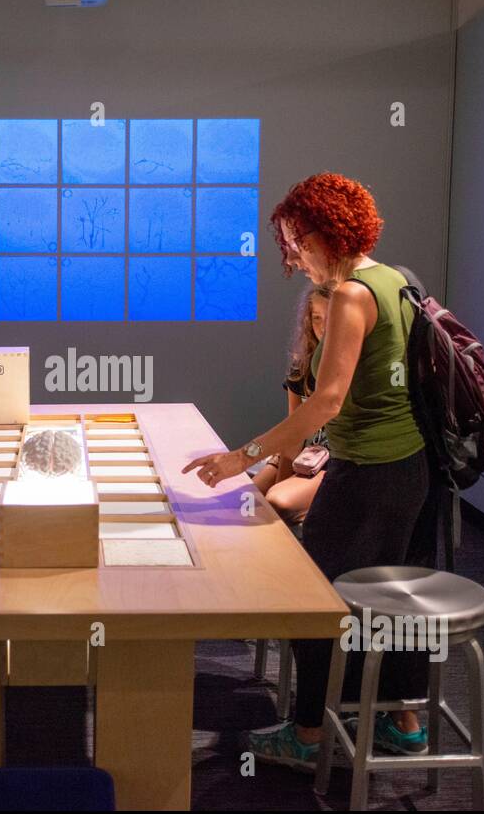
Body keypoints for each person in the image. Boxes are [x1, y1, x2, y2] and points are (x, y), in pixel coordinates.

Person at [183, 172, 432, 770]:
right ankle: (403, 721)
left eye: (298, 240)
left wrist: (240, 458)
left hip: (368, 475)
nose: (292, 254)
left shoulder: (349, 295)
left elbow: (326, 402)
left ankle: (309, 734)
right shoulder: (396, 279)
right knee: (384, 598)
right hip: (409, 471)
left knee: (310, 599)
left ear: (330, 232)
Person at [251, 282, 334, 525]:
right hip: (302, 455)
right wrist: (281, 477)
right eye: (316, 318)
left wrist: (279, 489)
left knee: (278, 501)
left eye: (330, 318)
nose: (322, 327)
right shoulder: (301, 366)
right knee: (247, 499)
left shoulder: (354, 367)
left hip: (333, 462)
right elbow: (293, 432)